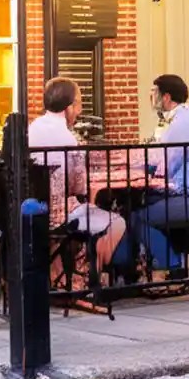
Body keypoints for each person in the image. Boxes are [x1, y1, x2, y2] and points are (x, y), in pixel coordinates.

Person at [111, 74, 189, 278]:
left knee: (137, 215)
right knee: (144, 204)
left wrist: (140, 168)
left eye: (155, 94)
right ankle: (143, 267)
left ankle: (172, 267)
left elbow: (165, 167)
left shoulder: (182, 123)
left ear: (167, 97)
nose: (153, 99)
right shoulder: (188, 118)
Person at [29, 77, 126, 279]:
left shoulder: (33, 128)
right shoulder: (67, 138)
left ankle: (59, 277)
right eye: (79, 103)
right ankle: (89, 279)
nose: (80, 110)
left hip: (33, 210)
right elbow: (78, 187)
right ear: (69, 107)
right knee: (116, 222)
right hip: (60, 215)